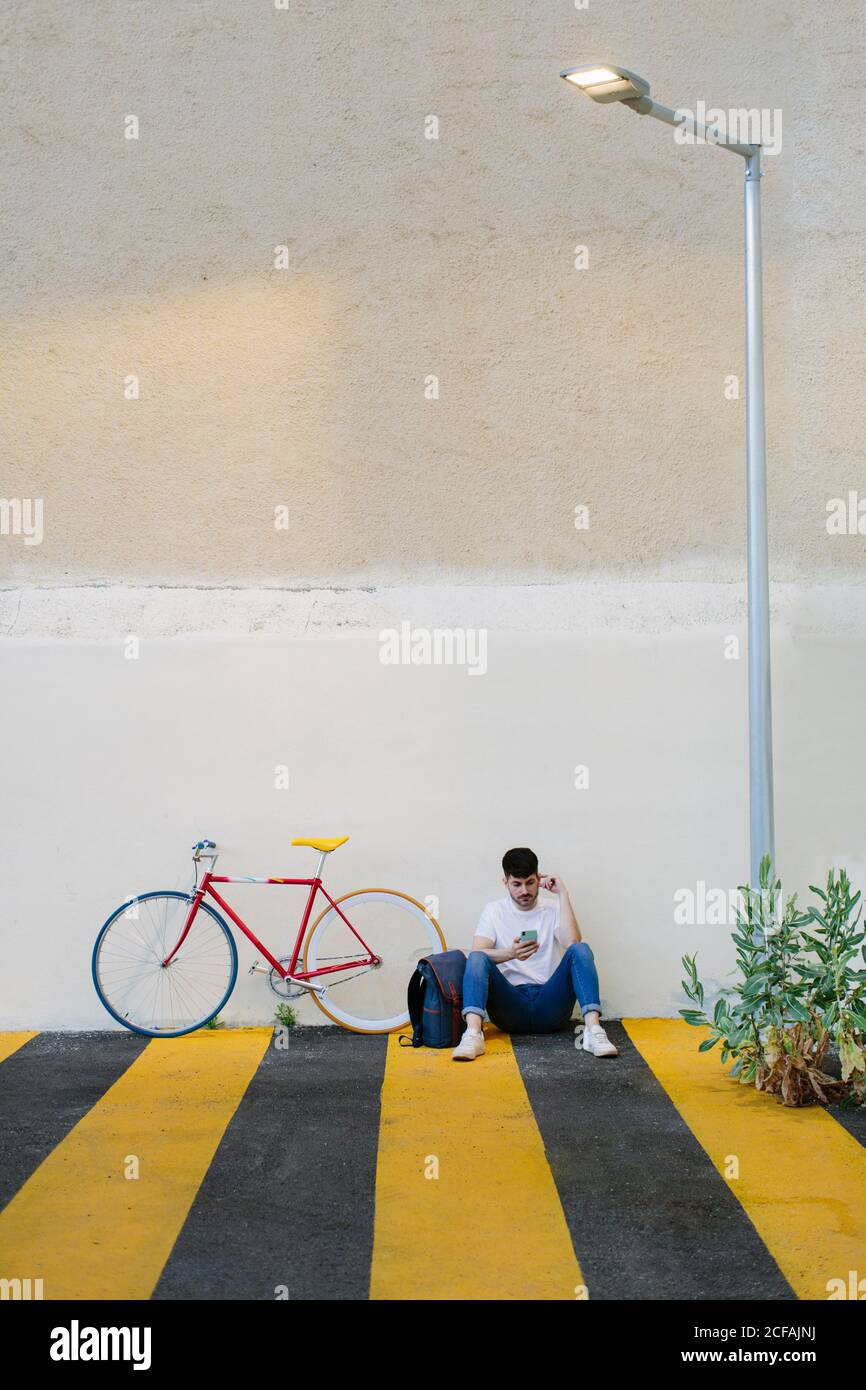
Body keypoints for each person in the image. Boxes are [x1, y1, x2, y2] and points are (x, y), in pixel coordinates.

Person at [453, 846, 619, 1060]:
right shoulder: (494, 911)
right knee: (476, 957)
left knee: (581, 949)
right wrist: (511, 953)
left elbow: (572, 942)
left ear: (538, 879)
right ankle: (473, 1035)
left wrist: (563, 894)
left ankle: (593, 1032)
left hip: (550, 1005)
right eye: (517, 884)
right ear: (506, 883)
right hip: (510, 1007)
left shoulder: (552, 907)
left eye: (530, 882)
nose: (524, 891)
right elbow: (478, 953)